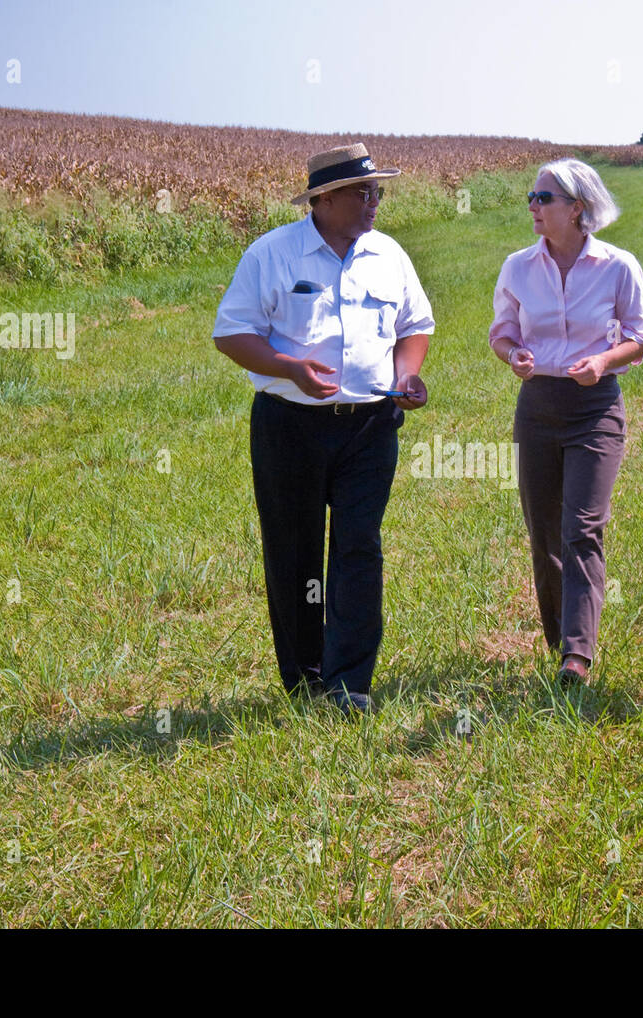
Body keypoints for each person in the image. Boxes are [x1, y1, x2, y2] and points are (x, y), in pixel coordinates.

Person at [212, 143, 434, 716]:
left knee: (360, 546)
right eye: (363, 192)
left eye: (378, 191)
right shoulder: (271, 255)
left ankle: (349, 682)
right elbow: (232, 333)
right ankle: (304, 677)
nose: (374, 202)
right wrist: (287, 369)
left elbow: (415, 325)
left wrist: (407, 374)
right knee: (294, 550)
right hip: (290, 426)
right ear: (324, 199)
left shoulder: (389, 256)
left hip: (370, 425)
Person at [488, 158, 643, 687]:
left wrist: (604, 361)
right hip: (537, 407)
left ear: (577, 208)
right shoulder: (517, 266)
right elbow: (502, 331)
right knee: (544, 534)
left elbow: (640, 335)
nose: (533, 207)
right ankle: (561, 640)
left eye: (544, 198)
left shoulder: (618, 266)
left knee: (582, 526)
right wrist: (513, 355)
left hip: (595, 408)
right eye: (532, 198)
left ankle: (577, 655)